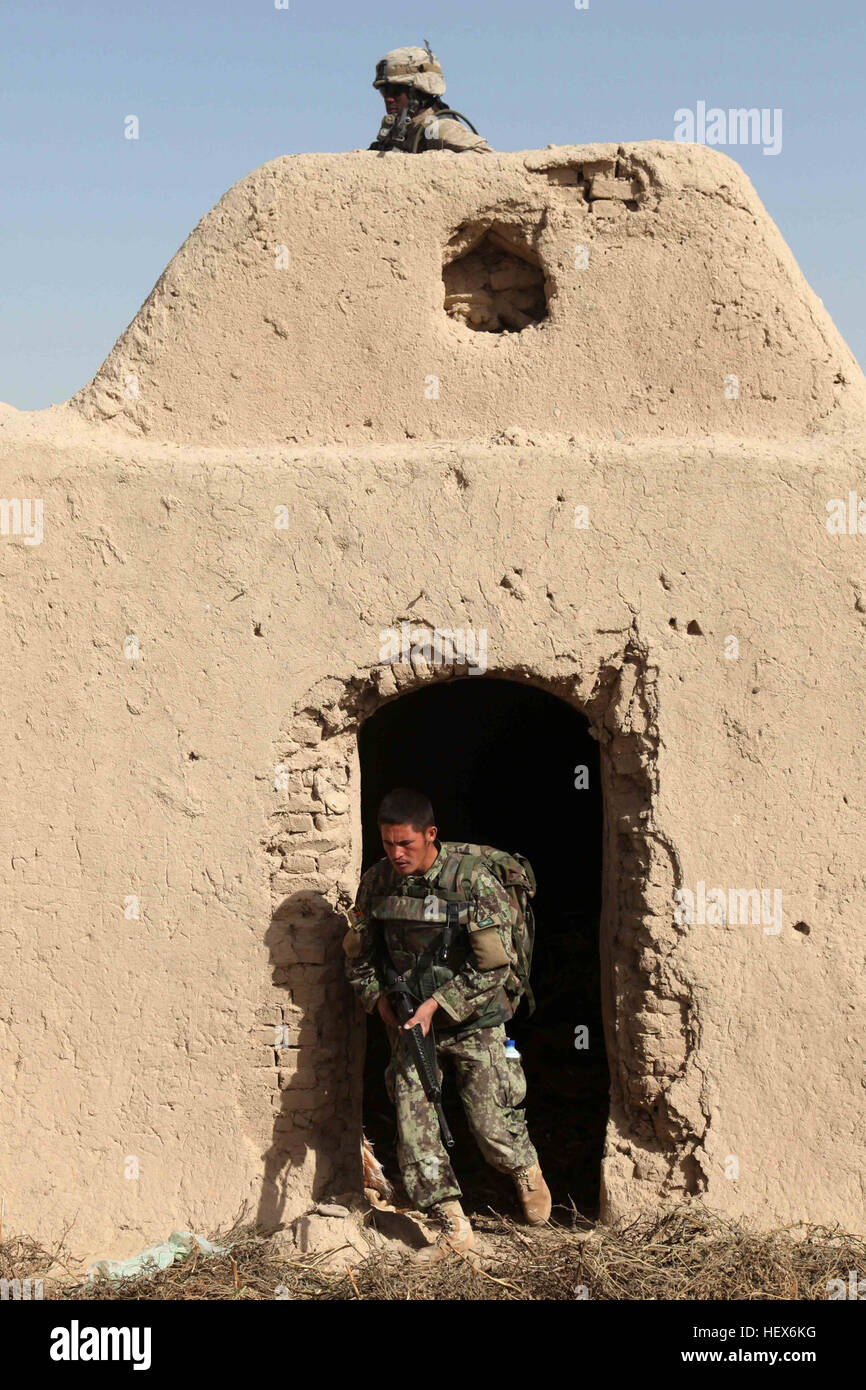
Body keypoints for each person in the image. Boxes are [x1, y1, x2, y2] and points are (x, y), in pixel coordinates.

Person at [342, 786, 550, 1263]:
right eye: (388, 843)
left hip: (474, 1019)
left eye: (406, 845)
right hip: (410, 1026)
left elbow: (495, 964)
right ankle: (451, 1224)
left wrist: (437, 1005)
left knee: (491, 1121)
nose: (396, 854)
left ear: (430, 834)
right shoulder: (376, 883)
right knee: (414, 1124)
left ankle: (524, 1168)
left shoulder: (473, 881)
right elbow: (358, 959)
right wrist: (380, 1004)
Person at [369, 43, 494, 155]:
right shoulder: (398, 131)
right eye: (384, 91)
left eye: (395, 91)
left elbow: (485, 156)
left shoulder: (437, 129)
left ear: (419, 91)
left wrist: (433, 163)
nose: (388, 99)